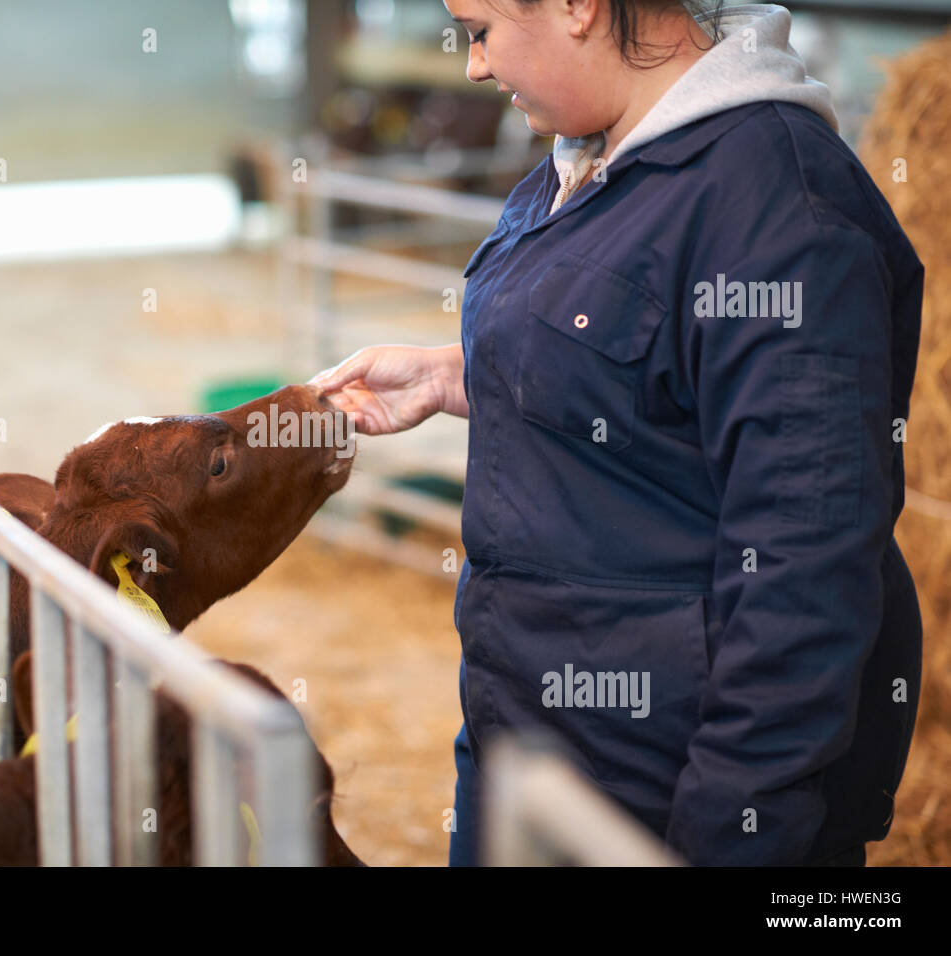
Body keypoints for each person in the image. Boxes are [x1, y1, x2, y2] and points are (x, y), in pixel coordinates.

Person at [310, 0, 923, 866]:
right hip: (534, 749)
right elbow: (647, 380)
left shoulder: (780, 216)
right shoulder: (589, 160)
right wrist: (459, 372)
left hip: (662, 797)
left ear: (576, 6)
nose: (474, 66)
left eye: (479, 29)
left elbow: (805, 573)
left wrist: (728, 836)